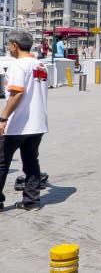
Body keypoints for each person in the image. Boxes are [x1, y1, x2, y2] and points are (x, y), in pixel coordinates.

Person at [0, 31, 49, 211]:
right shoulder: (41, 65)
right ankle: (31, 201)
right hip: (37, 124)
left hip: (17, 124)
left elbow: (17, 92)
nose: (8, 49)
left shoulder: (18, 65)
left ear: (15, 45)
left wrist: (3, 118)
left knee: (2, 162)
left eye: (9, 45)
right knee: (31, 162)